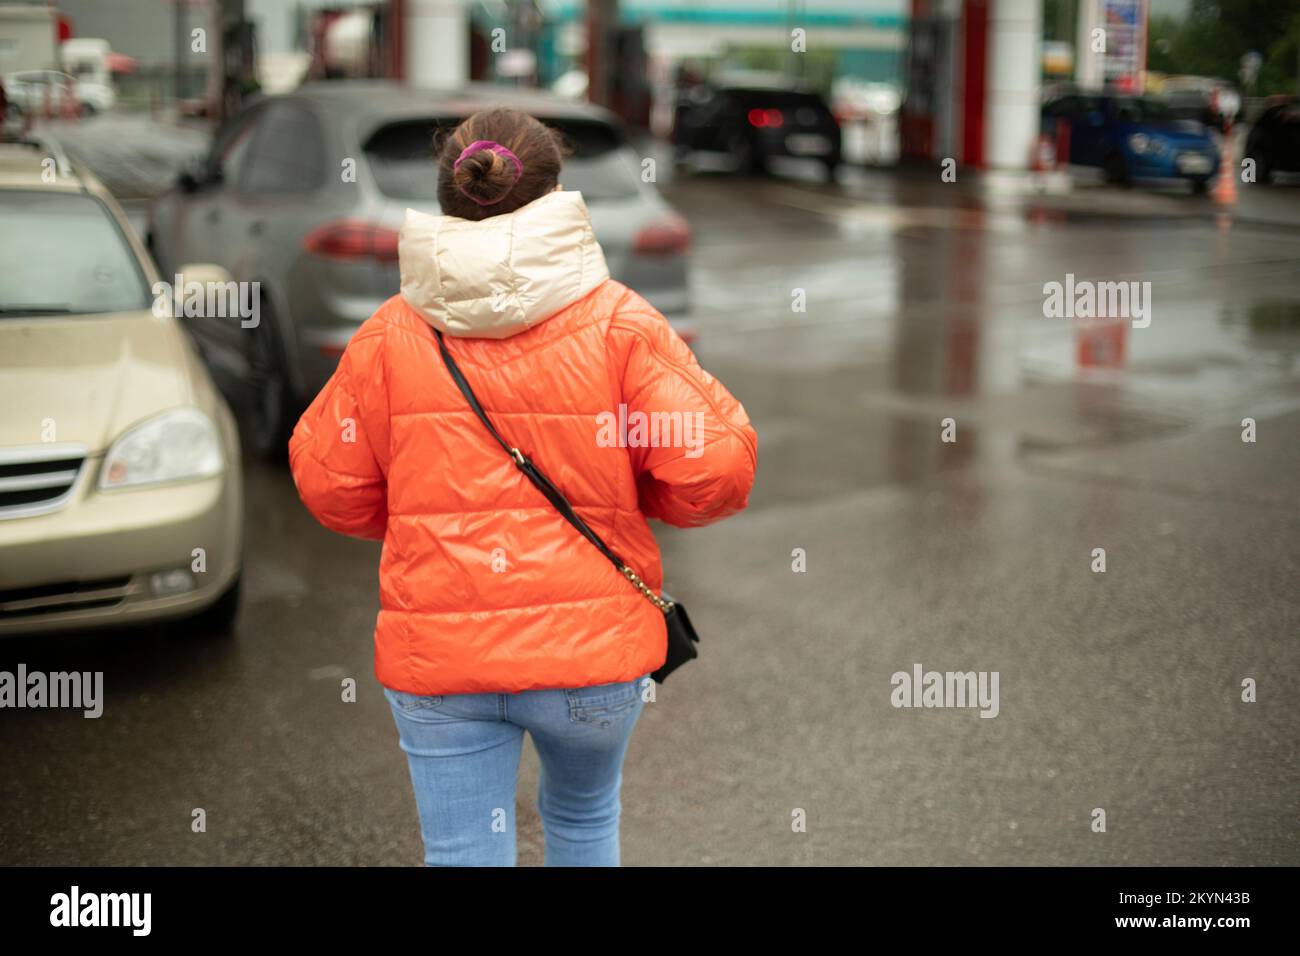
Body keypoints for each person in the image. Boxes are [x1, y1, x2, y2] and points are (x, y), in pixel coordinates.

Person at [289, 107, 757, 866]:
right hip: (592, 655)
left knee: (463, 852)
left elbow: (328, 482)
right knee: (582, 822)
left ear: (448, 198)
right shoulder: (620, 325)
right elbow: (715, 467)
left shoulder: (385, 336)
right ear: (555, 195)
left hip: (440, 655)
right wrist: (642, 495)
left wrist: (421, 515)